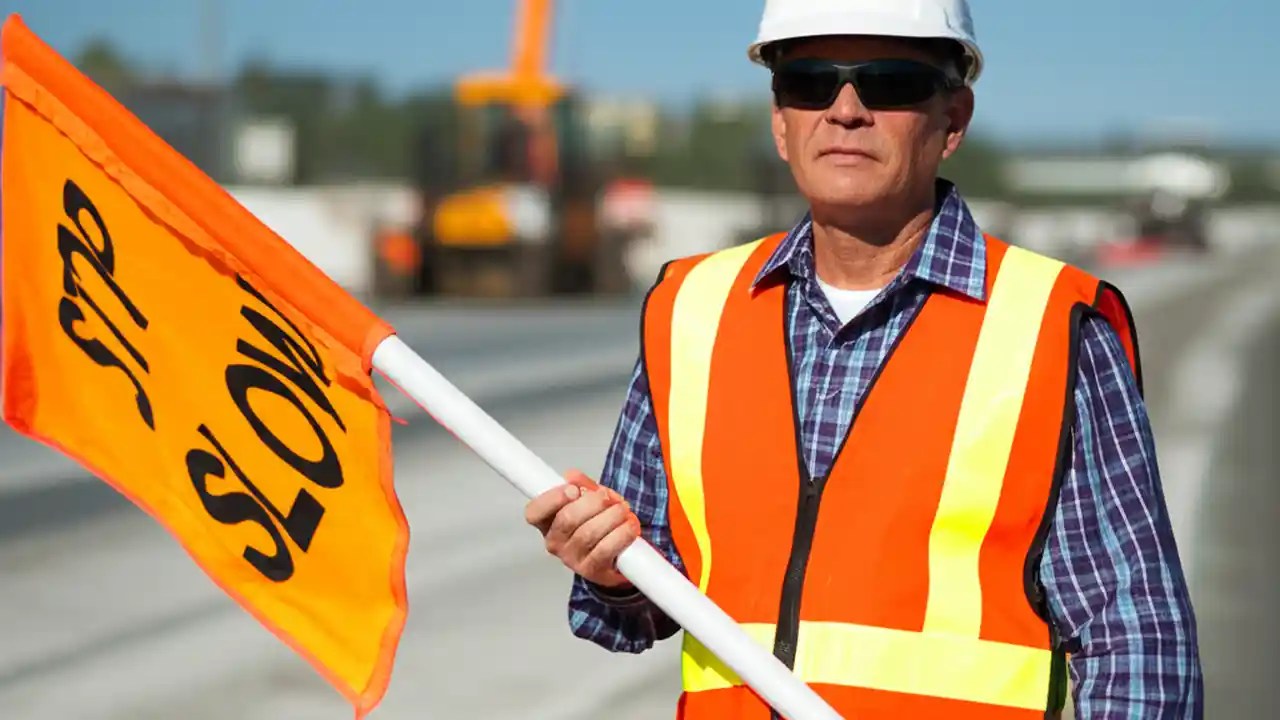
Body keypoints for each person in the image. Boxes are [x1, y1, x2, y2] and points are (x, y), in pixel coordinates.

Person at [524, 0, 1203, 717]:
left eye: (889, 82)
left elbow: (1135, 634)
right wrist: (609, 566)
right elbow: (639, 608)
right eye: (811, 82)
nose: (845, 110)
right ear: (781, 122)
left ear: (954, 118)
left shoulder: (1053, 326)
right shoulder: (690, 308)